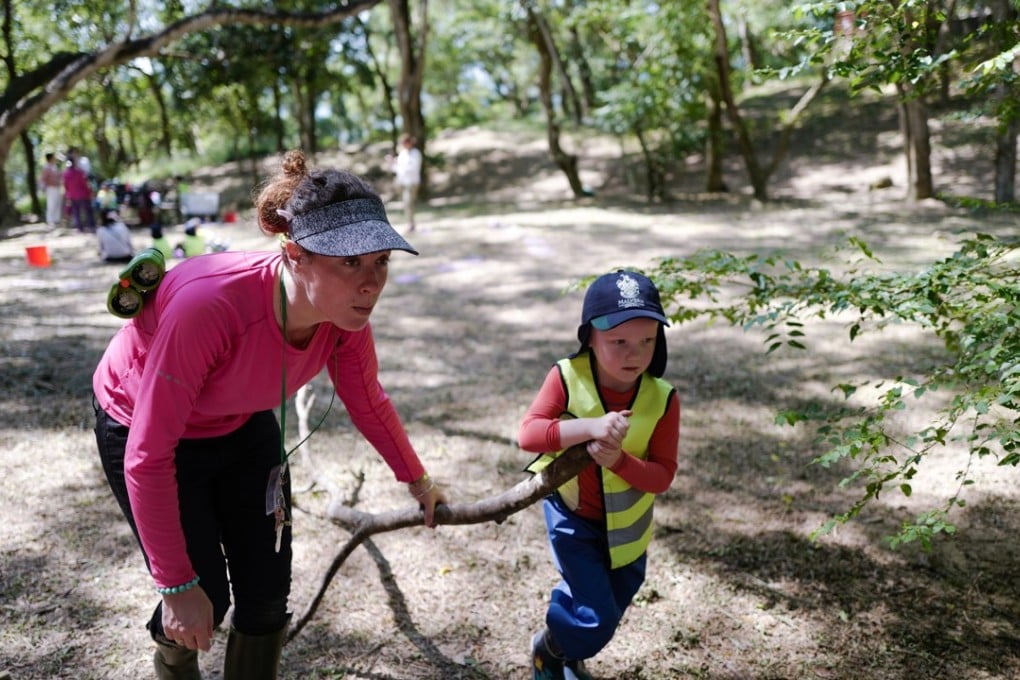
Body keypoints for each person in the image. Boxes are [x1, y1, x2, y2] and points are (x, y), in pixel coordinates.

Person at [91, 150, 447, 680]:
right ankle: (172, 664)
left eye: (380, 262)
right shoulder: (209, 307)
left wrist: (419, 482)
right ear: (294, 253)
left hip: (241, 422)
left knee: (265, 595)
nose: (370, 284)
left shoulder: (343, 319)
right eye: (349, 262)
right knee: (202, 591)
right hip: (142, 424)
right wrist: (175, 586)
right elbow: (147, 455)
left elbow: (369, 400)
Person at [518, 270, 680, 680]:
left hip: (629, 531)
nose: (635, 354)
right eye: (619, 342)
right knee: (595, 620)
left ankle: (568, 649)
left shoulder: (663, 398)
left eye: (647, 340)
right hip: (573, 517)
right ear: (590, 336)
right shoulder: (566, 376)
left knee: (607, 608)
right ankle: (551, 650)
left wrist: (618, 462)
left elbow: (662, 477)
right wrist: (590, 427)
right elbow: (529, 434)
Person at [390, 133, 422, 232]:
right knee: (405, 203)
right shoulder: (402, 153)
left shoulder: (415, 153)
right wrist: (392, 163)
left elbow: (412, 168)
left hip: (411, 182)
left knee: (408, 203)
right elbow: (396, 169)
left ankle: (411, 224)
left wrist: (400, 167)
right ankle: (410, 223)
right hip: (402, 182)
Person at [63, 147, 95, 232]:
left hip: (73, 195)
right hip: (83, 195)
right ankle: (91, 226)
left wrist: (67, 195)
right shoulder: (80, 173)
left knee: (76, 212)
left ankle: (79, 227)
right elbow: (85, 184)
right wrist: (90, 192)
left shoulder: (66, 174)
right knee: (88, 211)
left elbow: (65, 186)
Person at [41, 152, 63, 227]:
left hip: (57, 187)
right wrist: (43, 188)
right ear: (50, 158)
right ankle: (50, 220)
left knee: (57, 203)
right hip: (50, 188)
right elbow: (43, 178)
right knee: (51, 204)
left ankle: (56, 220)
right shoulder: (46, 167)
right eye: (53, 157)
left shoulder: (54, 166)